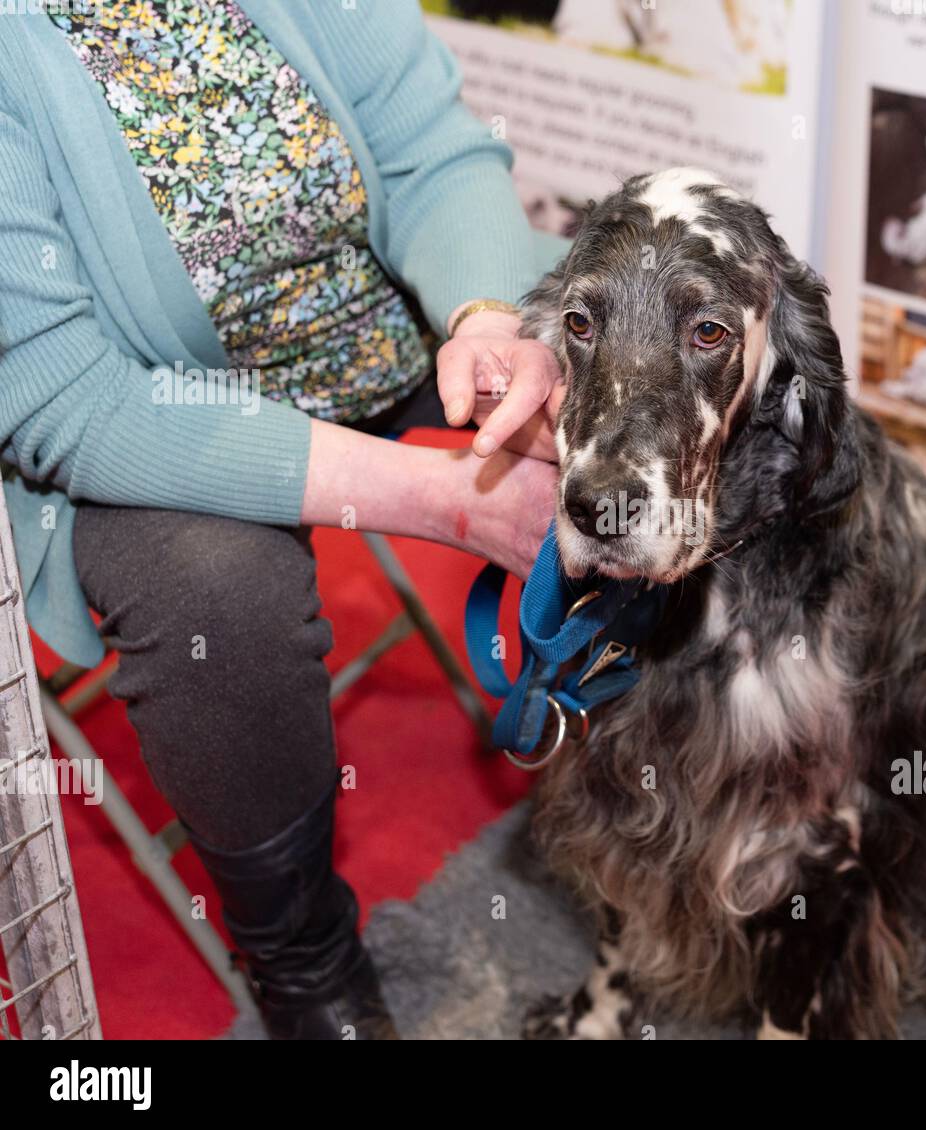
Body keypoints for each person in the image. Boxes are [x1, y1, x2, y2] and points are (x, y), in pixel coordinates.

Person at [0, 0, 564, 1038]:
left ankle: (693, 784)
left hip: (382, 334)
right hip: (150, 422)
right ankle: (303, 959)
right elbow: (66, 400)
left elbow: (431, 152)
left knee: (629, 394)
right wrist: (441, 500)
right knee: (217, 602)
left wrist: (489, 322)